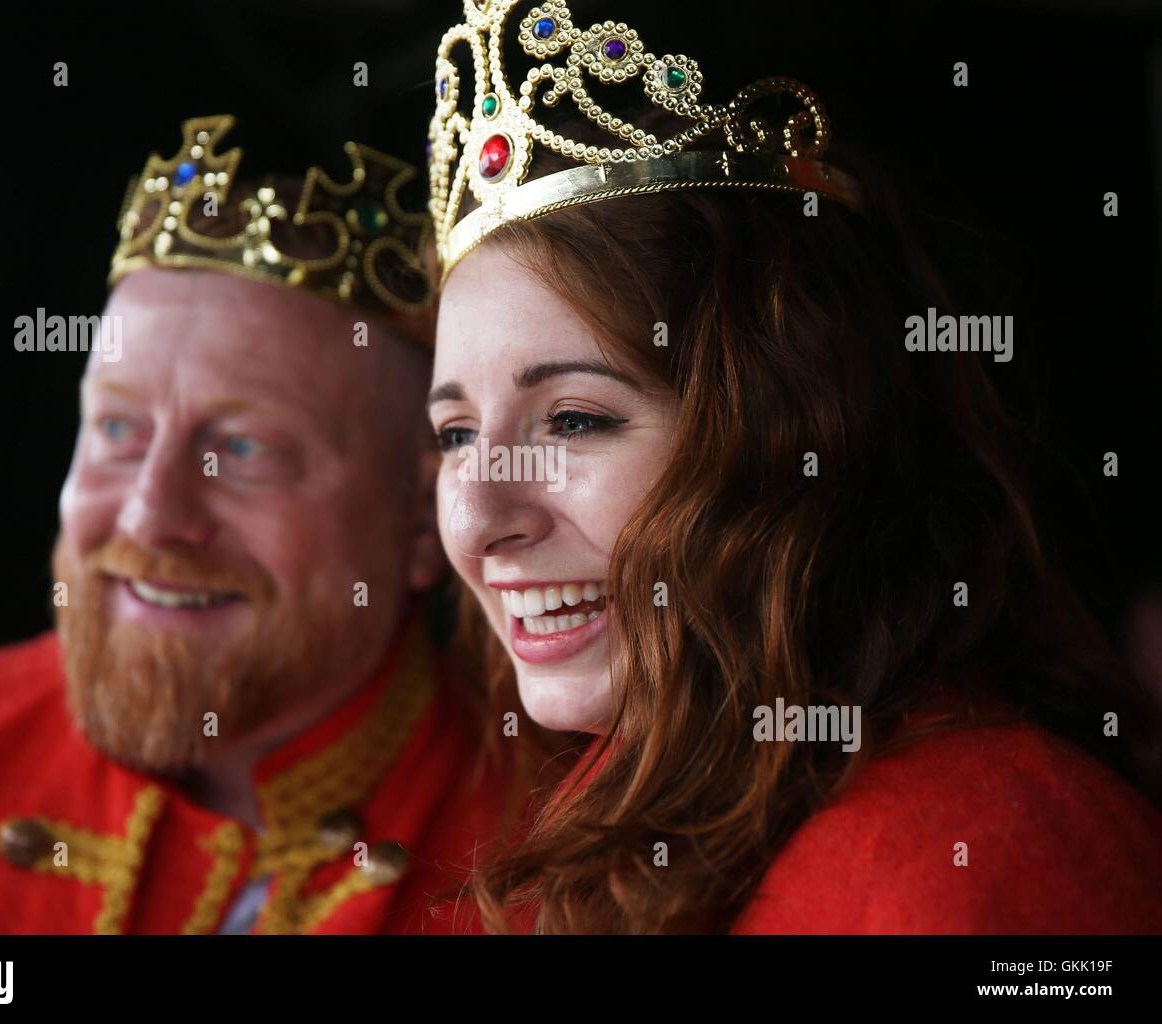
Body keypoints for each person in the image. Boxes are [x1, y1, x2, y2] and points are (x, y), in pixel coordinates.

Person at [423, 1, 1162, 933]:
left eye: (573, 419)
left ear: (799, 434)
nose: (477, 521)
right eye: (455, 434)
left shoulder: (978, 860)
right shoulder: (630, 802)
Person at [0, 115, 510, 934]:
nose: (149, 517)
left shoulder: (588, 862)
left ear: (424, 519)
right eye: (116, 432)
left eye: (243, 449)